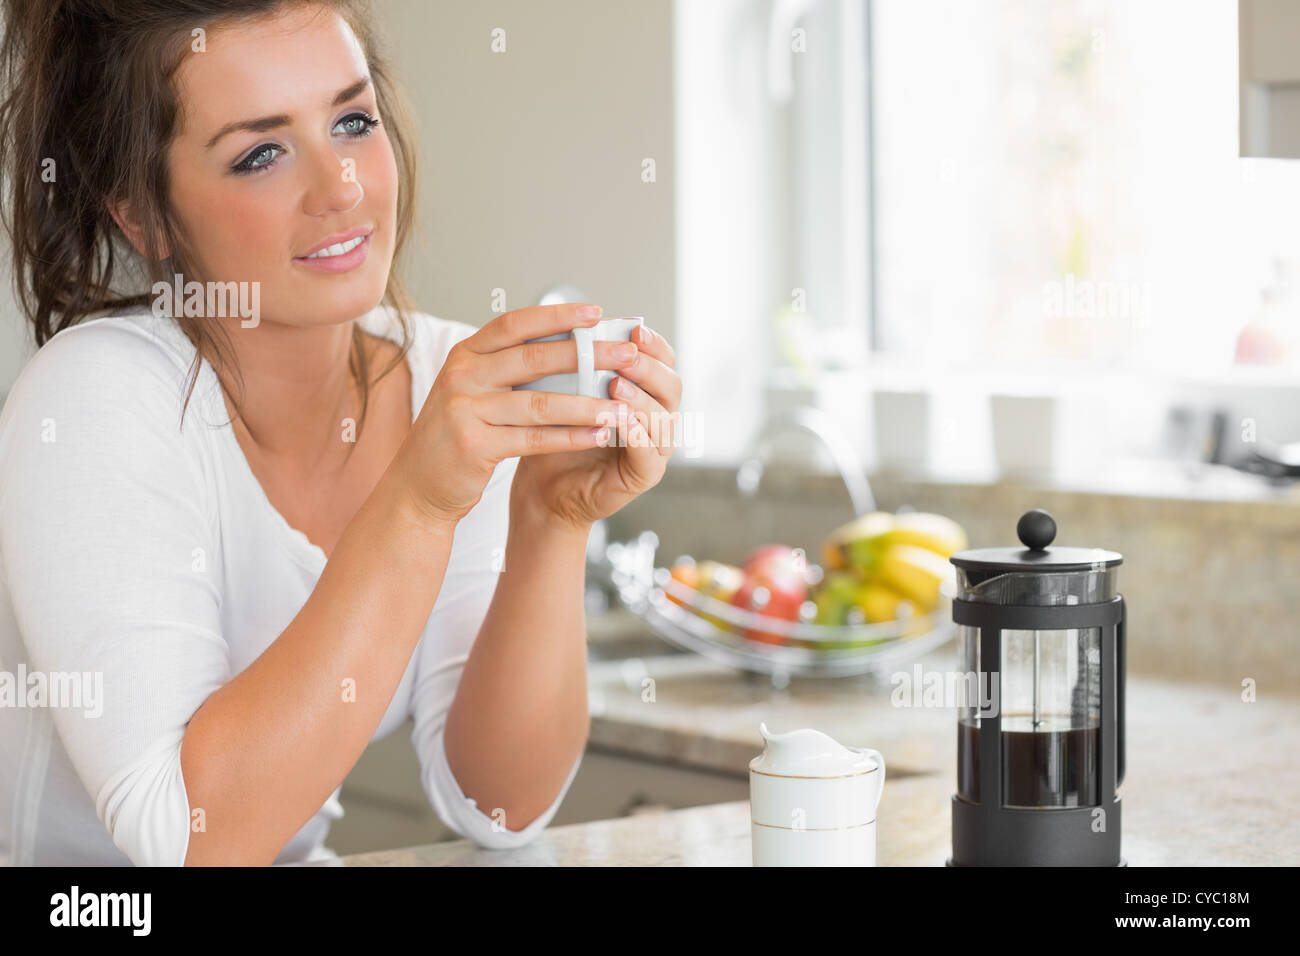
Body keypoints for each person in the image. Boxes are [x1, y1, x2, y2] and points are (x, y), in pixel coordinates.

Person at [0, 0, 680, 866]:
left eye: (353, 121)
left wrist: (552, 523)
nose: (343, 187)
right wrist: (420, 502)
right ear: (144, 215)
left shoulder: (447, 385)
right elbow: (186, 839)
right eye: (261, 154)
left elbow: (497, 809)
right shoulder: (96, 402)